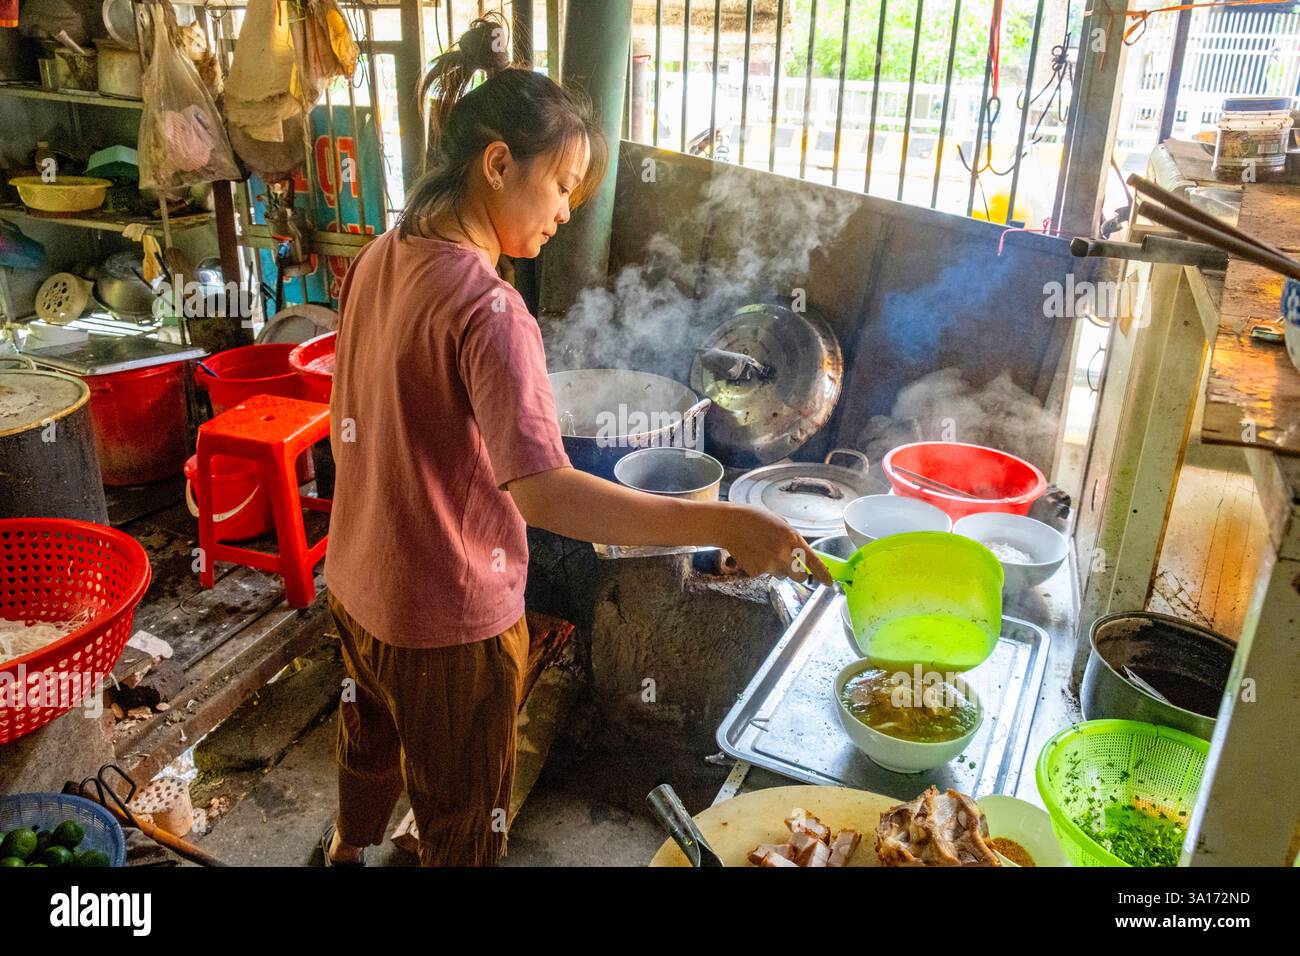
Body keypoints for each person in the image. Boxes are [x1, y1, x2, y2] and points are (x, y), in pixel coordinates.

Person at [320, 15, 829, 867]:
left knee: (366, 747)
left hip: (357, 586)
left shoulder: (379, 255)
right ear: (495, 165)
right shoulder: (488, 309)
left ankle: (347, 852)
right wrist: (725, 524)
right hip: (448, 623)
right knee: (465, 822)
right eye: (560, 185)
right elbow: (547, 492)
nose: (564, 210)